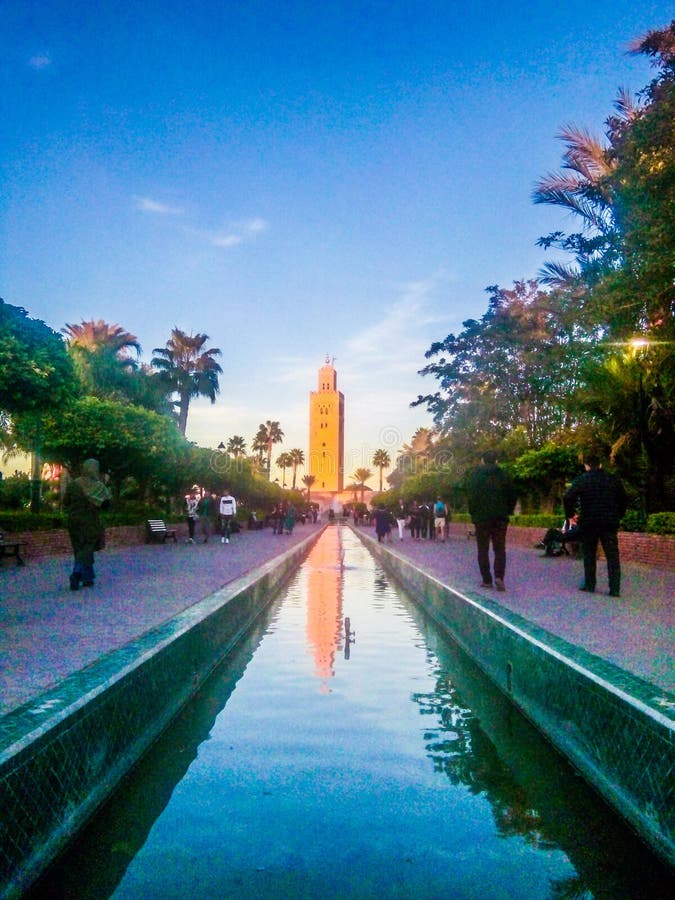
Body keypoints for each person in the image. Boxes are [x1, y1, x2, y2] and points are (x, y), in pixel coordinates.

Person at [564, 454, 627, 597]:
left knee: (589, 554)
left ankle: (590, 584)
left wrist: (571, 515)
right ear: (600, 465)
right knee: (612, 555)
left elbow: (568, 496)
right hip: (609, 523)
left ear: (586, 466)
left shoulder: (583, 479)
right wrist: (619, 515)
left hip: (589, 522)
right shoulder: (612, 479)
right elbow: (623, 498)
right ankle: (614, 588)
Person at [466, 451, 518, 591]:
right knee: (500, 549)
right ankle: (499, 577)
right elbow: (513, 494)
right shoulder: (504, 475)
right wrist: (508, 510)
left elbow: (471, 496)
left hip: (481, 518)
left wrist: (473, 513)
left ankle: (487, 580)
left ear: (482, 460)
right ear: (496, 461)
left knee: (482, 549)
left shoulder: (475, 476)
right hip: (500, 517)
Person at [63, 458, 112, 591]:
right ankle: (77, 572)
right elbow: (106, 505)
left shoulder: (74, 484)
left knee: (79, 548)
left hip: (73, 521)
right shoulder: (99, 486)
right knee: (86, 548)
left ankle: (88, 578)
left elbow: (65, 501)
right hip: (90, 521)